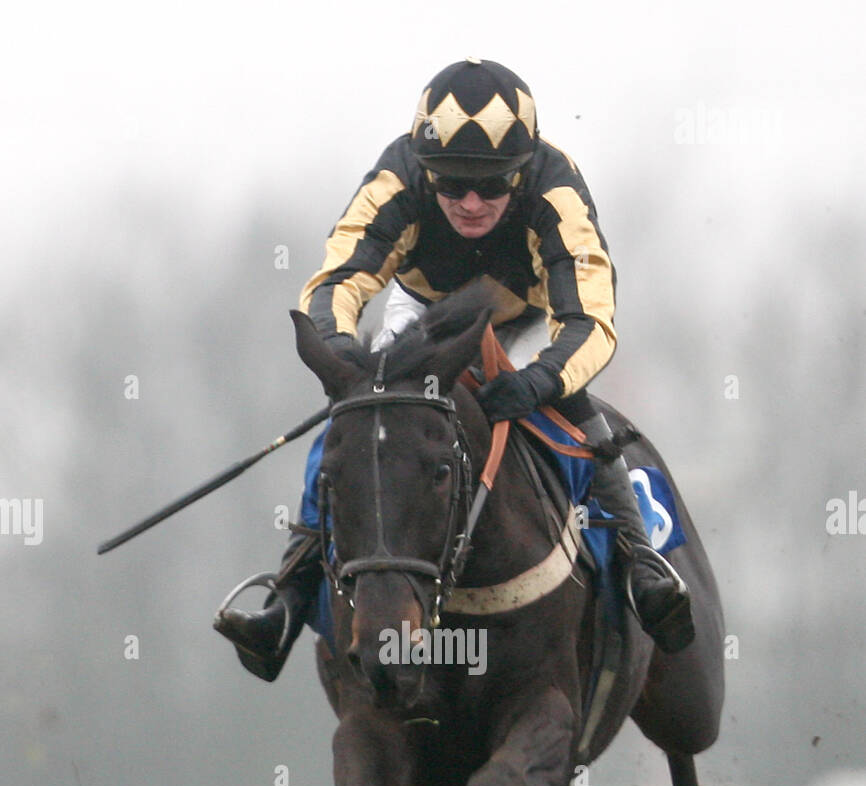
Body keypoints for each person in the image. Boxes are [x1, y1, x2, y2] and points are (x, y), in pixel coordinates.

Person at [214, 57, 694, 680]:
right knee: (360, 421)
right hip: (423, 312)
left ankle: (638, 564)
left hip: (522, 318)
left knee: (578, 414)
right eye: (449, 184)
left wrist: (539, 380)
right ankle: (288, 591)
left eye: (492, 187)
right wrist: (341, 354)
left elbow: (590, 322)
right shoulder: (397, 178)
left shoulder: (557, 190)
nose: (470, 202)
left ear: (521, 175)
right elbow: (337, 279)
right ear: (424, 171)